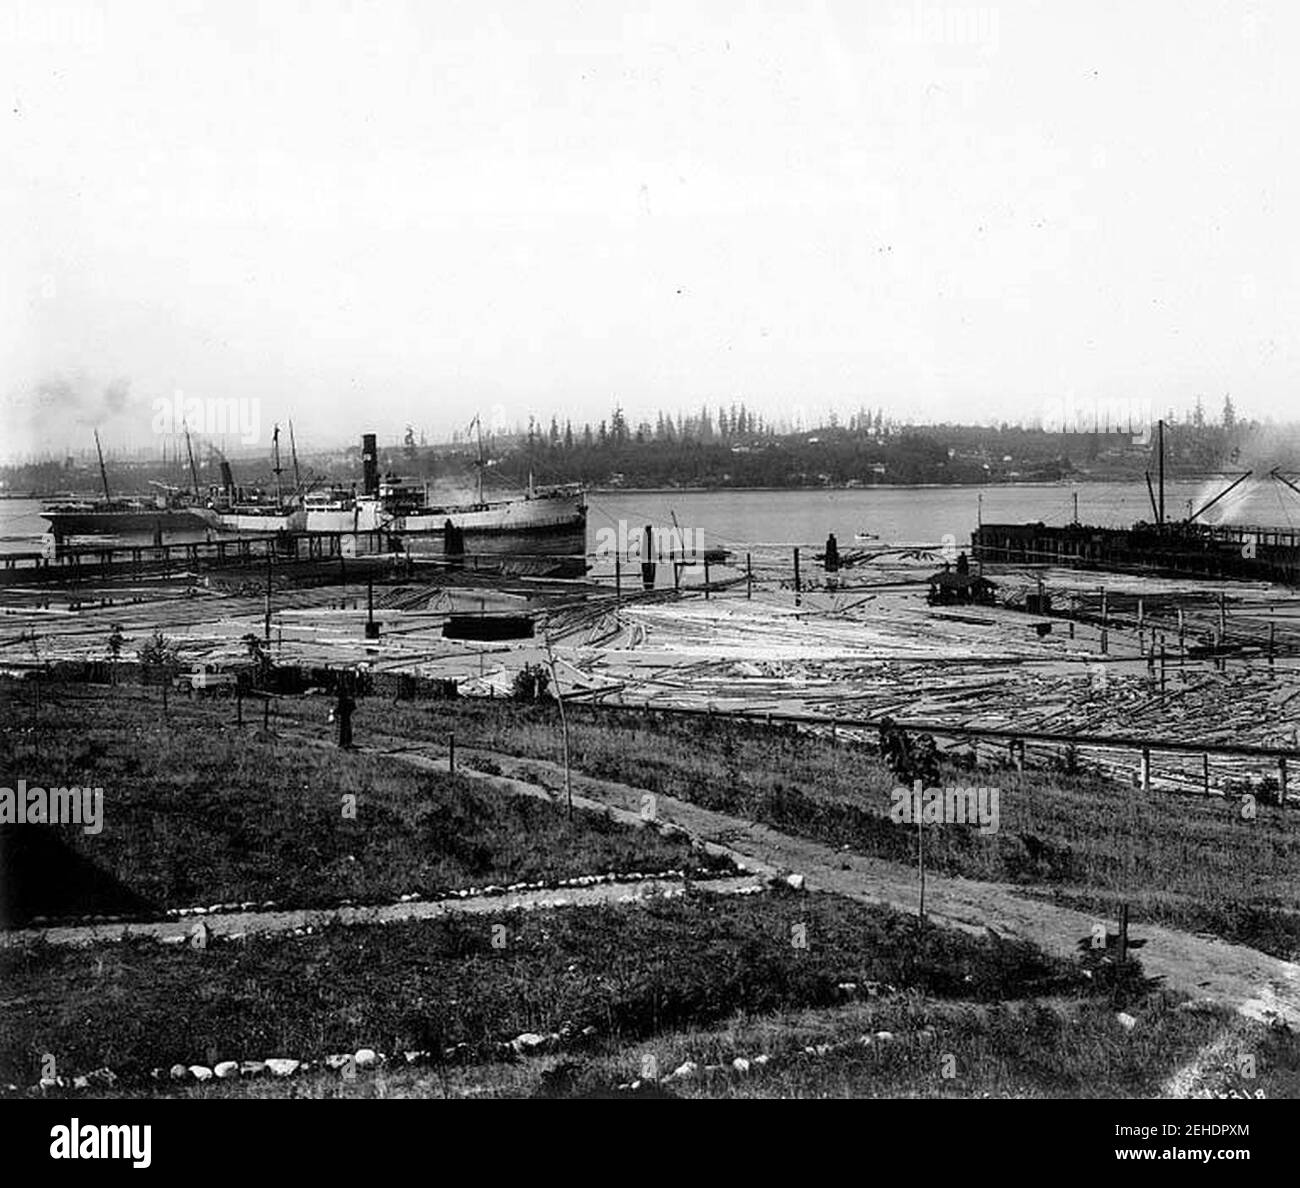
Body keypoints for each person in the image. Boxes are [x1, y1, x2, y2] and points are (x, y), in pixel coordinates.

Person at [335, 681, 356, 750]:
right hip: (344, 706)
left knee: (344, 724)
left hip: (344, 706)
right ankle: (344, 742)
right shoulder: (347, 689)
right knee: (344, 724)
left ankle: (345, 742)